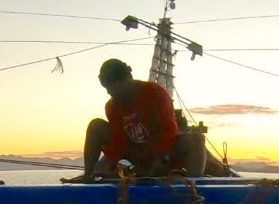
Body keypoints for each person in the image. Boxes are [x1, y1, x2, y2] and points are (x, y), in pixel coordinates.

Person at [67, 58, 206, 183]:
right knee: (95, 125)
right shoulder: (111, 107)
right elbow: (118, 142)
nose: (109, 92)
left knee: (196, 140)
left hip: (166, 155)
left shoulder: (155, 93)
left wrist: (160, 162)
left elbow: (168, 133)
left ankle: (193, 188)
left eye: (110, 87)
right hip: (137, 159)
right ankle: (88, 175)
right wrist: (118, 166)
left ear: (125, 80)